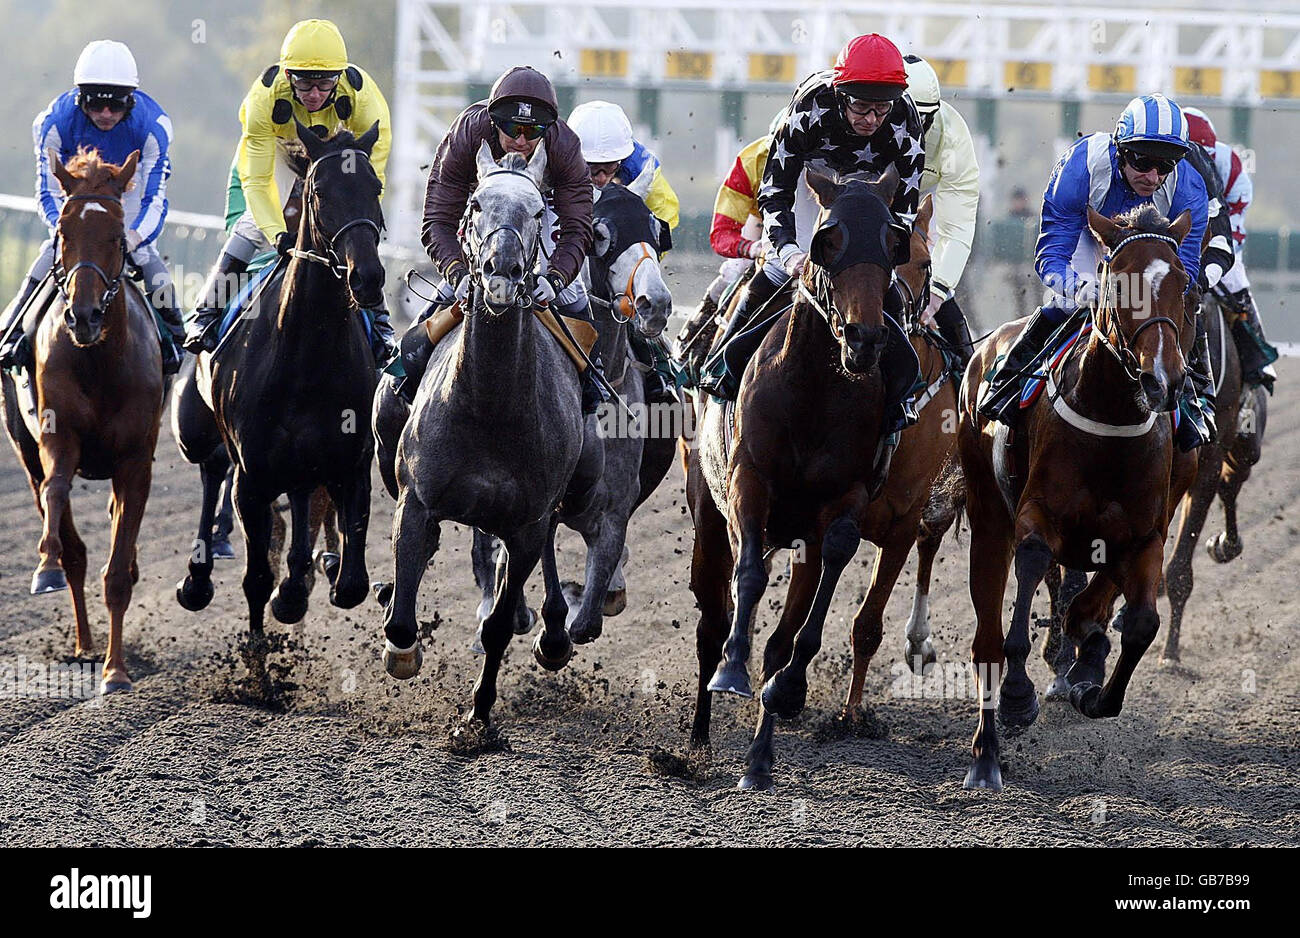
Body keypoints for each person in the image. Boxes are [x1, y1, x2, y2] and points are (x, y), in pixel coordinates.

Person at [698, 33, 927, 488]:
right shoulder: (808, 111)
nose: (871, 119)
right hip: (810, 189)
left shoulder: (905, 120)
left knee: (886, 303)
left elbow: (904, 206)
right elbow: (774, 194)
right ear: (841, 95)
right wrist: (788, 251)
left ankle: (900, 397)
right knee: (777, 275)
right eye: (861, 107)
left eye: (881, 110)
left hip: (868, 201)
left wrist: (883, 262)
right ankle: (723, 363)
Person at [978, 93, 1215, 451]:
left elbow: (1188, 270)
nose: (1153, 177)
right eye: (1143, 162)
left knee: (1180, 307)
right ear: (1121, 149)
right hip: (1092, 241)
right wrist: (1088, 291)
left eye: (1165, 165)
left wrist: (1160, 298)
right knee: (1066, 304)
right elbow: (1051, 258)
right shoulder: (1082, 166)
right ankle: (1008, 383)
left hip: (1151, 256)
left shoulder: (1189, 188)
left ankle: (1197, 403)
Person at [396, 65, 606, 414]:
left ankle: (592, 380)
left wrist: (555, 279)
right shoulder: (467, 133)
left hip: (541, 204)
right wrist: (455, 272)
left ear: (548, 128)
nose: (521, 141)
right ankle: (403, 373)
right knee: (453, 290)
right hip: (484, 203)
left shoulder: (565, 147)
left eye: (532, 131)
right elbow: (438, 219)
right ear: (494, 122)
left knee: (571, 294)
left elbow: (578, 228)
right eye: (512, 129)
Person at [183, 19, 394, 362]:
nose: (314, 95)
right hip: (281, 150)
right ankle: (206, 310)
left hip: (335, 148)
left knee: (356, 224)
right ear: (286, 76)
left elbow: (374, 173)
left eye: (324, 85)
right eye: (304, 83)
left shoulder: (363, 98)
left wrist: (362, 209)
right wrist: (277, 234)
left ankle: (382, 323)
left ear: (339, 78)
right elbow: (255, 182)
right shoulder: (263, 101)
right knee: (254, 224)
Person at [0, 40, 183, 374]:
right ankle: (10, 333)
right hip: (77, 197)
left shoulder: (154, 126)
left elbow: (154, 199)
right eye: (96, 105)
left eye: (115, 106)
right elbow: (46, 192)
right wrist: (65, 229)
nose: (105, 115)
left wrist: (132, 238)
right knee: (49, 256)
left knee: (148, 261)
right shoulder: (53, 123)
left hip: (126, 197)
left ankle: (176, 338)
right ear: (80, 99)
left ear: (131, 101)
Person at [567, 100, 678, 404]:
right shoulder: (554, 161)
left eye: (609, 168)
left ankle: (663, 375)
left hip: (621, 265)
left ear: (623, 158)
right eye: (592, 169)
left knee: (641, 318)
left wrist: (637, 274)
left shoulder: (644, 169)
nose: (601, 177)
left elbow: (662, 223)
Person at [1183, 106, 1277, 392]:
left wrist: (1212, 257)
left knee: (1235, 281)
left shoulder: (1231, 167)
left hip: (1222, 234)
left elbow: (1233, 223)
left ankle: (1259, 357)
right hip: (1177, 235)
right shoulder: (1162, 164)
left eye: (1204, 156)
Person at [902, 54, 978, 373]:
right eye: (903, 118)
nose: (912, 132)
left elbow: (956, 228)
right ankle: (733, 361)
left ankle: (971, 395)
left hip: (910, 218)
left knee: (953, 326)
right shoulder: (860, 118)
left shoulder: (952, 137)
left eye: (923, 121)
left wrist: (936, 293)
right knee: (779, 275)